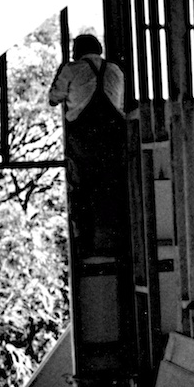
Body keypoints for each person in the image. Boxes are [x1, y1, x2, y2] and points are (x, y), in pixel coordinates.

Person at [47, 33, 126, 250]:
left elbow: (54, 98)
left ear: (76, 51)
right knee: (112, 182)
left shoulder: (71, 69)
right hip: (114, 133)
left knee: (82, 183)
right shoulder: (115, 70)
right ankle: (119, 232)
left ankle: (85, 238)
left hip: (85, 134)